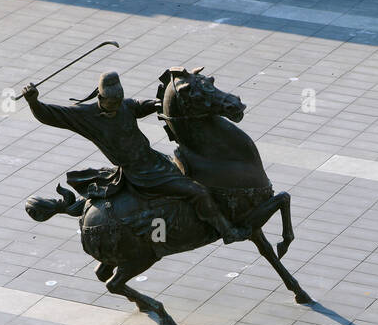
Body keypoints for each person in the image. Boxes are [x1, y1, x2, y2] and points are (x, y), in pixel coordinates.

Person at [20, 72, 248, 243]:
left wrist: (164, 102)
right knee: (197, 192)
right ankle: (228, 232)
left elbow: (141, 106)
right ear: (100, 96)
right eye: (111, 103)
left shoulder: (124, 107)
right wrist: (33, 101)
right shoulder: (85, 116)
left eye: (119, 102)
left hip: (155, 160)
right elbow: (49, 115)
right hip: (141, 174)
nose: (116, 107)